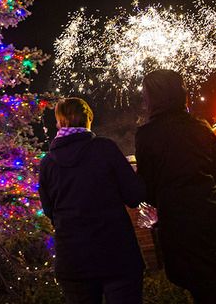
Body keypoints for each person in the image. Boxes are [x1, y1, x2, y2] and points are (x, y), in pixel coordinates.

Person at [135, 70, 216, 304]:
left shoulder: (146, 135)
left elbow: (147, 185)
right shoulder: (201, 128)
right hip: (212, 214)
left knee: (201, 290)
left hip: (178, 222)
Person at [39, 98, 146, 304]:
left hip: (73, 260)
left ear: (60, 123)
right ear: (88, 119)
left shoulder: (48, 163)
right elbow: (134, 196)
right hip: (117, 255)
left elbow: (49, 210)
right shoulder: (105, 149)